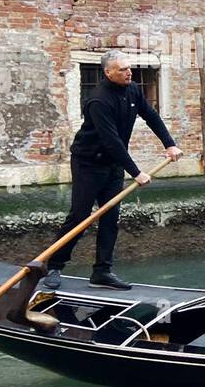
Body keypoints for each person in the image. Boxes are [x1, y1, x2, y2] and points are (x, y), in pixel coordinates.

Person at [43, 51, 182, 290]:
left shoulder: (133, 90)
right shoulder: (99, 100)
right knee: (79, 216)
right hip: (88, 163)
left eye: (130, 68)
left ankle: (102, 271)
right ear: (108, 72)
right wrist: (136, 172)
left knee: (110, 217)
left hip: (113, 165)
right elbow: (112, 141)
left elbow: (151, 116)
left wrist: (169, 143)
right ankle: (54, 266)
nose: (129, 72)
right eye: (122, 69)